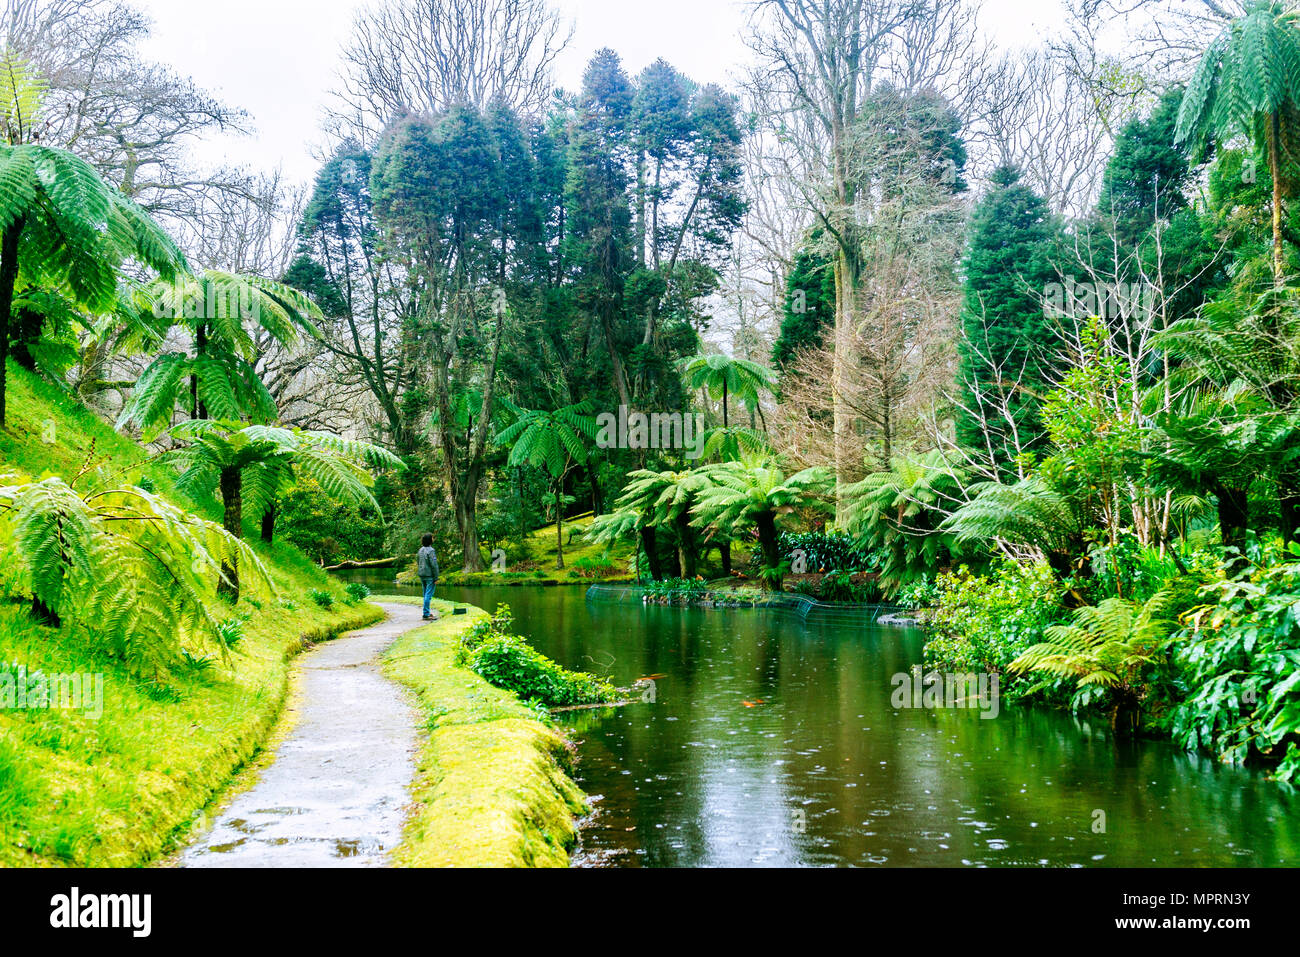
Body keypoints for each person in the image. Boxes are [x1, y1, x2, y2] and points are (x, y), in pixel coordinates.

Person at [416, 533, 439, 620]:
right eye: (432, 537)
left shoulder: (420, 550)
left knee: (425, 594)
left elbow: (418, 562)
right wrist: (436, 577)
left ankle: (427, 612)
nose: (433, 539)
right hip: (429, 575)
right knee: (428, 595)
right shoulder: (431, 551)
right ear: (430, 540)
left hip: (422, 574)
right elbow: (434, 564)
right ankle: (426, 614)